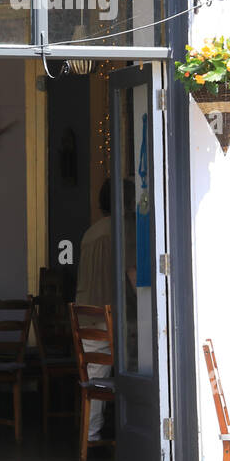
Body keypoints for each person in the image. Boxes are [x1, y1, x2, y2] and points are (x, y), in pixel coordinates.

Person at [76, 177, 136, 444]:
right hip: (119, 317)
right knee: (137, 366)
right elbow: (132, 274)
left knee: (95, 378)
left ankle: (90, 434)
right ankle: (135, 436)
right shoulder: (125, 230)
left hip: (88, 315)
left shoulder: (90, 232)